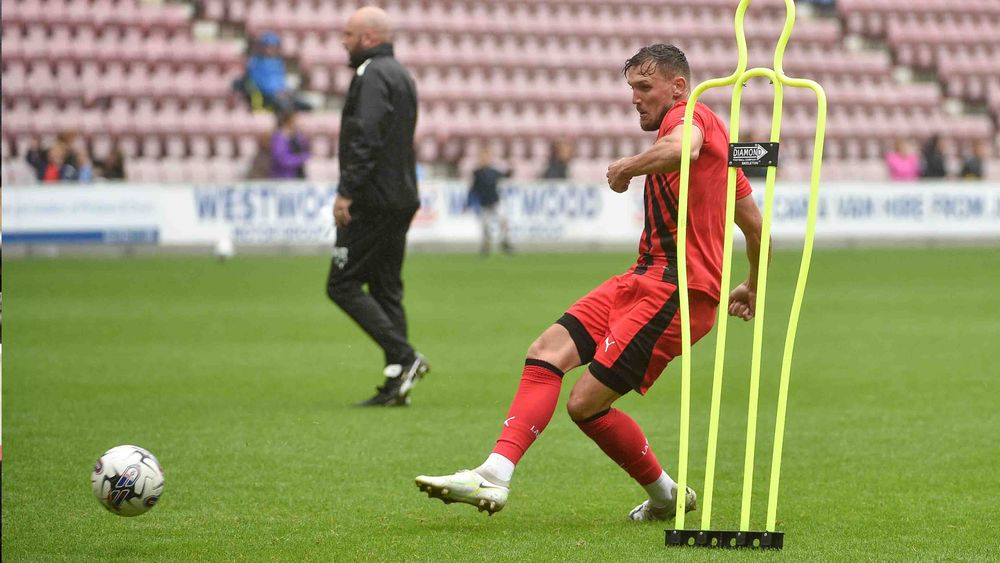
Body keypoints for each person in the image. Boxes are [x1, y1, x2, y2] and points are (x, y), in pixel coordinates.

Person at [415, 44, 765, 521]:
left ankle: (663, 496)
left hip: (678, 292)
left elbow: (683, 147)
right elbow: (756, 226)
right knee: (546, 351)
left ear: (678, 87)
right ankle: (494, 475)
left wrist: (626, 167)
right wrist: (752, 285)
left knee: (585, 406)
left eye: (645, 88)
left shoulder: (688, 114)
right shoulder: (722, 146)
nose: (635, 99)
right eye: (632, 89)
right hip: (643, 276)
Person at [327, 7, 429, 407]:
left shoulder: (370, 73)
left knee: (342, 283)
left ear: (369, 37)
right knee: (386, 287)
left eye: (349, 33)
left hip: (373, 198)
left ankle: (405, 358)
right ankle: (396, 382)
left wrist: (346, 190)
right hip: (402, 194)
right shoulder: (401, 74)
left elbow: (366, 135)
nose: (343, 40)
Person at [239, 32, 311, 113]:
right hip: (267, 95)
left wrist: (284, 91)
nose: (271, 49)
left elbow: (281, 81)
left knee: (305, 105)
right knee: (286, 106)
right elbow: (257, 82)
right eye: (268, 46)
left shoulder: (279, 62)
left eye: (274, 46)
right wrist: (275, 92)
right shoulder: (255, 62)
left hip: (282, 93)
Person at [468, 146, 513, 255]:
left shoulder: (494, 172)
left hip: (495, 201)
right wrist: (470, 202)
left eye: (487, 156)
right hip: (484, 203)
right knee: (486, 226)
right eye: (483, 156)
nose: (485, 159)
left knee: (503, 220)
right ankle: (486, 245)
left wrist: (510, 165)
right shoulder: (477, 173)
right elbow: (473, 188)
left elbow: (507, 175)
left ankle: (504, 241)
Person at [269, 112, 309, 179]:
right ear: (288, 121)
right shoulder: (279, 138)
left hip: (299, 175)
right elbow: (282, 160)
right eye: (296, 120)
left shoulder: (298, 136)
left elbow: (305, 150)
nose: (299, 123)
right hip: (283, 177)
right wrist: (301, 159)